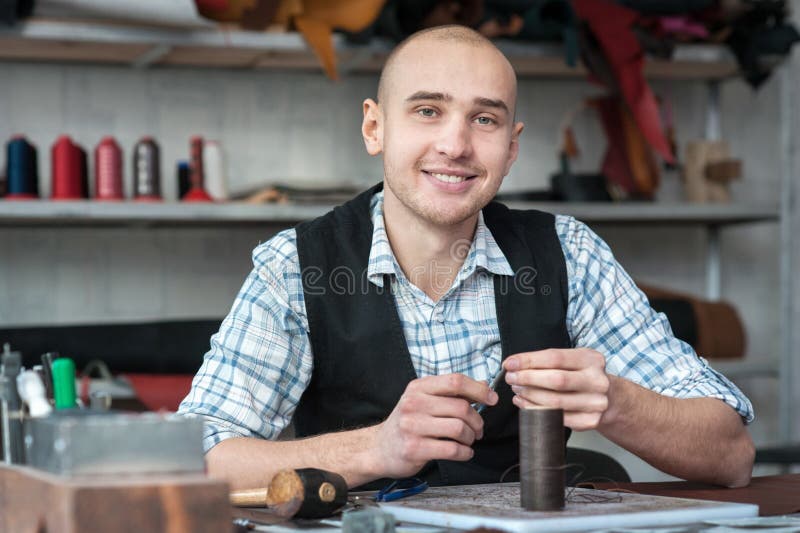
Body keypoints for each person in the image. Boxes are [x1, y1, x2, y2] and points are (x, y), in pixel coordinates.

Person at [177, 25, 755, 491]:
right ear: (375, 127)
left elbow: (731, 456)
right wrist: (376, 447)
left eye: (484, 119)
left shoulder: (568, 254)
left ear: (511, 147)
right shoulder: (294, 268)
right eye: (428, 110)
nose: (455, 145)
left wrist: (620, 404)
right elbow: (196, 460)